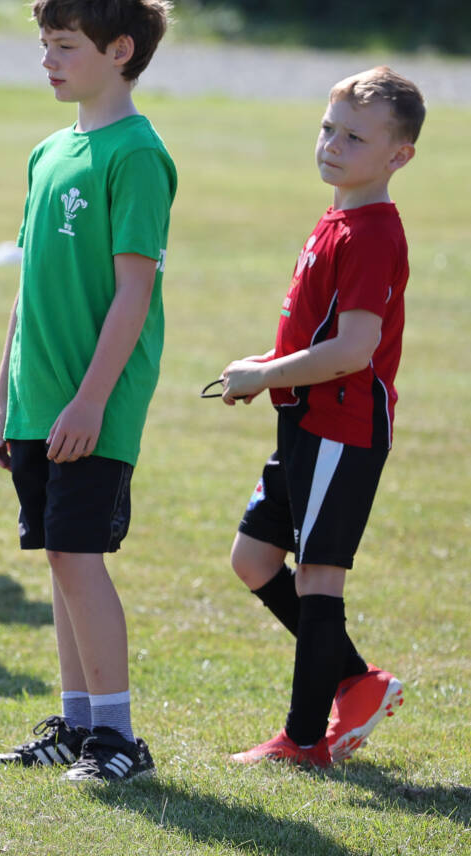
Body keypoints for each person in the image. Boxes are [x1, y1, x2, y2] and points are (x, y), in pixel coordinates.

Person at [0, 0, 175, 781]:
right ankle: (74, 723)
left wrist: (91, 400)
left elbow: (134, 292)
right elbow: (29, 288)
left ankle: (118, 739)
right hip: (38, 399)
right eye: (43, 44)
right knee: (59, 559)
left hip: (93, 403)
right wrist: (3, 396)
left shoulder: (135, 154)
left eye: (64, 45)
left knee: (80, 559)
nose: (48, 60)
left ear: (119, 49)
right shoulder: (46, 152)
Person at [216, 67, 421, 767]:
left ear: (398, 156)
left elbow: (353, 349)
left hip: (342, 427)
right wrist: (268, 364)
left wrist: (265, 374)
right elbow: (320, 334)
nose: (332, 144)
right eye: (327, 128)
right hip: (303, 421)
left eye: (354, 136)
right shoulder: (336, 216)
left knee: (316, 577)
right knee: (252, 559)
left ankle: (303, 741)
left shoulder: (370, 232)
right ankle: (354, 680)